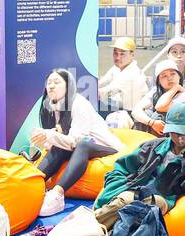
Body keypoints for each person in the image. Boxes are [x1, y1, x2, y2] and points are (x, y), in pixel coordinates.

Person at [95, 99, 185, 210]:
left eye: (183, 133)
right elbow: (121, 167)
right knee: (120, 202)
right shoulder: (153, 146)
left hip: (161, 198)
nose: (179, 138)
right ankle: (96, 230)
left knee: (134, 206)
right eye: (174, 132)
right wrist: (117, 185)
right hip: (136, 189)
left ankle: (94, 228)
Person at [31, 68, 121, 216]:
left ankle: (57, 194)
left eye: (57, 82)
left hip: (104, 146)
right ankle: (33, 184)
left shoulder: (79, 103)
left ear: (68, 85)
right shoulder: (51, 106)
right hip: (78, 146)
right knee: (59, 146)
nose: (51, 86)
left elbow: (77, 141)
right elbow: (57, 143)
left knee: (82, 145)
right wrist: (47, 137)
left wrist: (50, 135)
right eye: (49, 83)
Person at [133, 59, 185, 135]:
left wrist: (175, 88)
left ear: (179, 77)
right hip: (166, 131)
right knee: (145, 115)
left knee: (158, 116)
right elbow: (136, 111)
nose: (169, 78)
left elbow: (160, 107)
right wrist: (151, 122)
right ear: (159, 82)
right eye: (164, 76)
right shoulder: (156, 91)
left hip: (184, 131)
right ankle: (141, 143)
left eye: (173, 74)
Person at [97, 37, 149, 124]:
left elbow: (101, 93)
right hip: (120, 106)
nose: (118, 57)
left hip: (131, 115)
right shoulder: (118, 67)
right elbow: (101, 82)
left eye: (122, 54)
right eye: (115, 53)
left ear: (132, 55)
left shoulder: (131, 74)